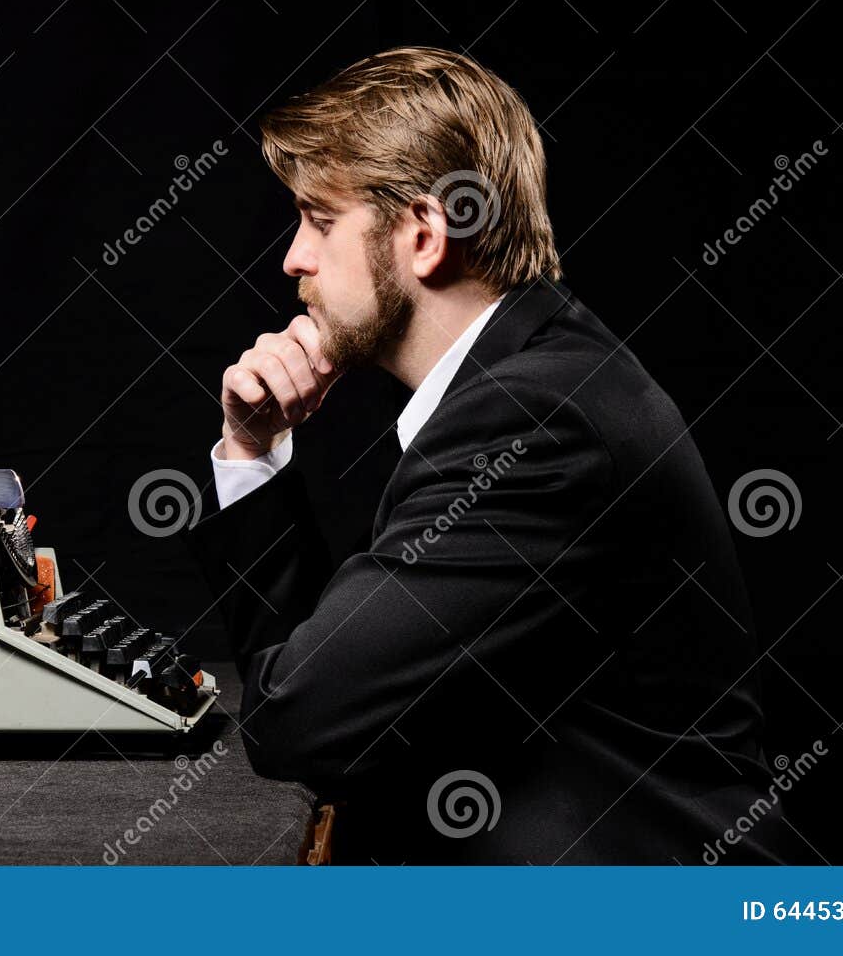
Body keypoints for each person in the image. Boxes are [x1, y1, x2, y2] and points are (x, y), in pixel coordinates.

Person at [183, 46, 797, 864]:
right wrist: (251, 450)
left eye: (321, 221)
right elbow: (320, 700)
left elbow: (300, 719)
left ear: (426, 236)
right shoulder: (530, 377)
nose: (294, 256)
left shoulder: (536, 422)